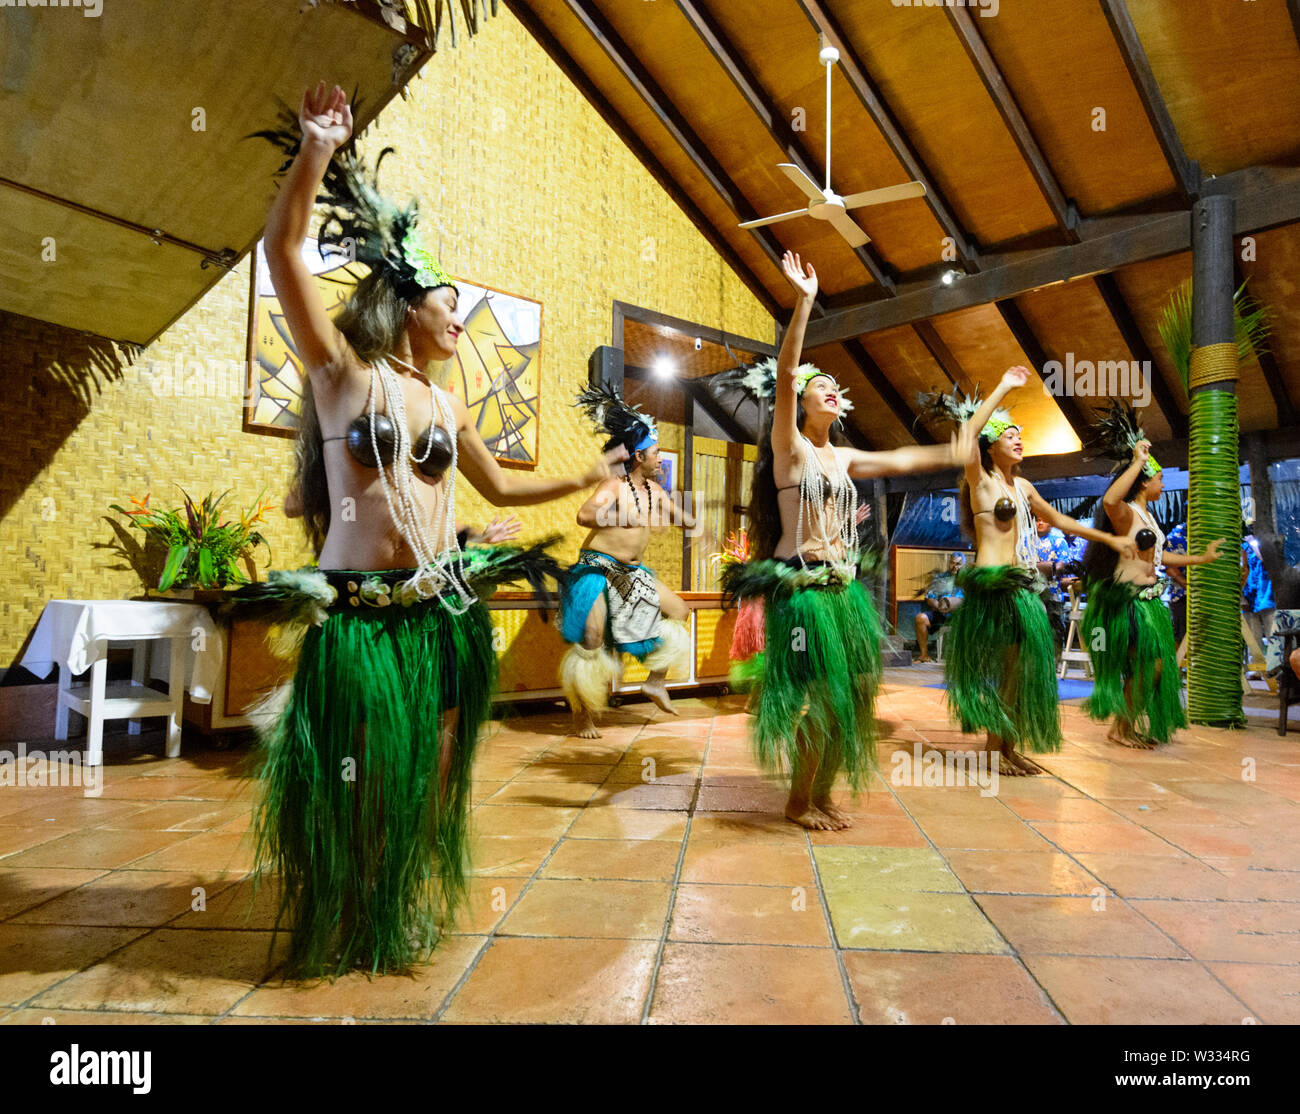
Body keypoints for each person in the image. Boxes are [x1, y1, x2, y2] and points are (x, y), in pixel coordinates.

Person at [243, 84, 623, 977]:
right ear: (406, 301)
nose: (462, 318)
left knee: (433, 773)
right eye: (451, 302)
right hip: (361, 619)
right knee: (364, 776)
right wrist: (317, 150)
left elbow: (502, 484)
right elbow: (284, 249)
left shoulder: (447, 402)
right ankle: (351, 899)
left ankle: (397, 895)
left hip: (435, 616)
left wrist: (589, 475)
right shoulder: (342, 374)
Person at [715, 251, 975, 830]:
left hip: (843, 593)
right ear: (802, 401)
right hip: (802, 594)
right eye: (821, 386)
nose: (833, 391)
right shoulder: (790, 451)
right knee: (827, 699)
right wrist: (804, 302)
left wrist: (951, 451)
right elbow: (785, 375)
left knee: (854, 701)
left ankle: (820, 792)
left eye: (837, 388)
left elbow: (899, 458)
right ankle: (798, 798)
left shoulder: (843, 455)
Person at [919, 375, 1136, 776]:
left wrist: (1108, 536)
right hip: (993, 591)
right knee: (1007, 669)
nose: (1019, 440)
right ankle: (992, 749)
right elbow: (967, 436)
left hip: (1023, 588)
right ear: (991, 445)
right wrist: (1001, 386)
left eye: (1021, 435)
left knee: (1023, 672)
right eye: (1010, 435)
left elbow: (1058, 519)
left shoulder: (1023, 486)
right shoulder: (979, 481)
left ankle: (1008, 747)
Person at [1079, 402, 1225, 748]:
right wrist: (1138, 462)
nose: (1163, 482)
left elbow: (1159, 557)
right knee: (1152, 666)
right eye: (1160, 477)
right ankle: (1121, 728)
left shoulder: (1148, 518)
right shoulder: (1127, 513)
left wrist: (1201, 558)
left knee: (1153, 668)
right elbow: (1109, 500)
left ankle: (1124, 726)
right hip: (1126, 605)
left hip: (1149, 603)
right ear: (1145, 482)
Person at [558, 383, 693, 739]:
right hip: (597, 569)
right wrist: (619, 516)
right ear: (638, 457)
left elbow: (684, 517)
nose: (660, 458)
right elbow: (584, 515)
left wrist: (696, 526)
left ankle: (654, 684)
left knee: (679, 610)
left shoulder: (656, 491)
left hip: (632, 573)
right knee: (592, 637)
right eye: (656, 452)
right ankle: (582, 715)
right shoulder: (614, 486)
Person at [914, 551, 965, 663]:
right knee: (920, 618)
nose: (954, 566)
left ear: (963, 565)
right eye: (952, 563)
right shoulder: (940, 578)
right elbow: (929, 598)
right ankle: (924, 655)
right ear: (949, 563)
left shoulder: (967, 580)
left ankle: (961, 659)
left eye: (958, 564)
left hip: (960, 616)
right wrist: (937, 605)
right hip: (941, 613)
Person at [1163, 520, 1189, 644]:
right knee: (1183, 637)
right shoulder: (1175, 536)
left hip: (1207, 595)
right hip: (1182, 595)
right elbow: (1167, 566)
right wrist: (1184, 582)